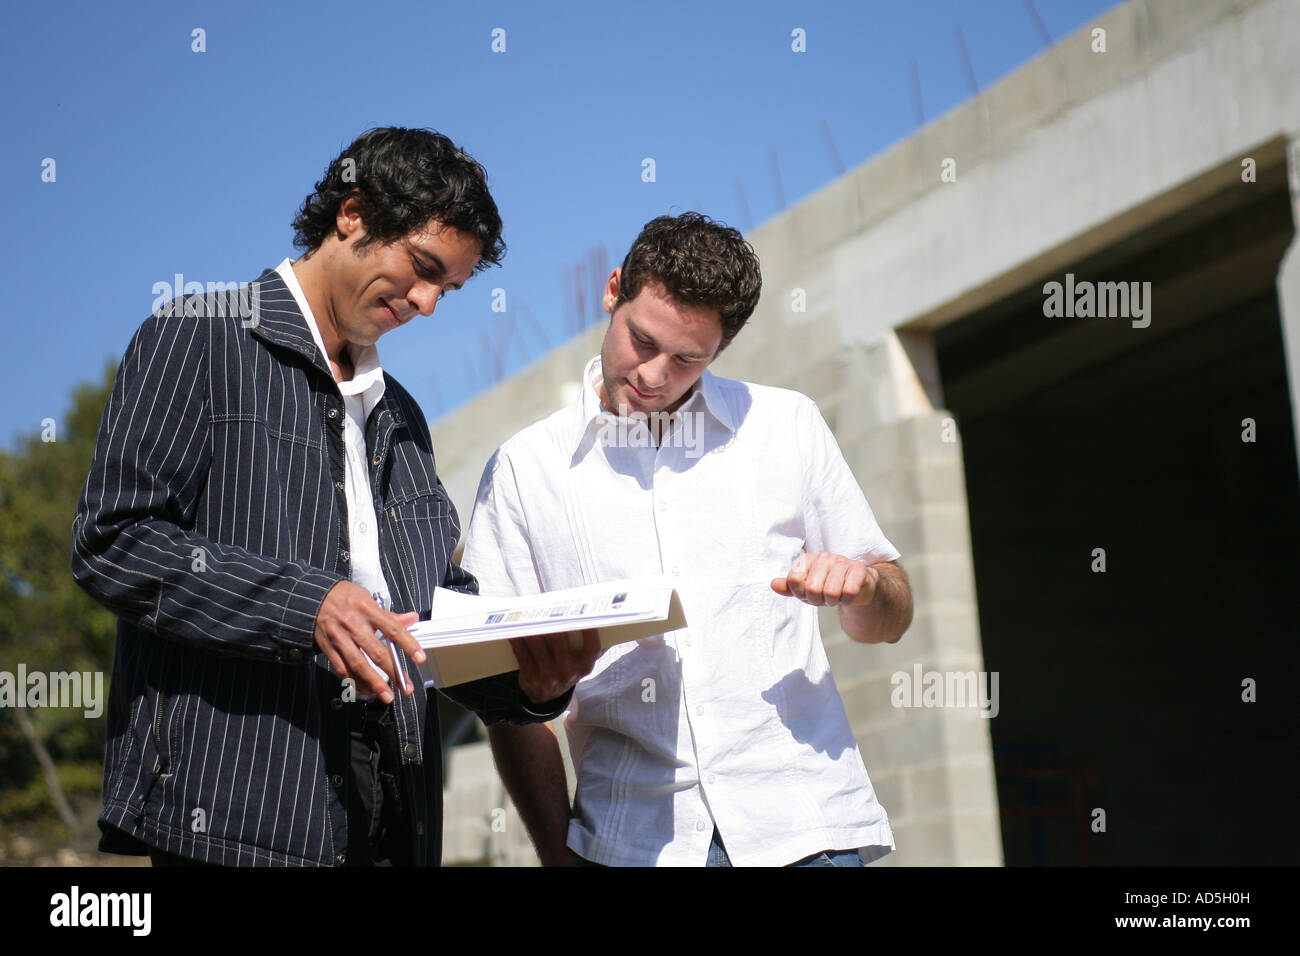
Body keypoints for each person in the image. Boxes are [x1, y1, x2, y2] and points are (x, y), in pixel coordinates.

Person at [71, 127, 599, 867]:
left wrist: (533, 681)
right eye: (422, 269)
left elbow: (432, 617)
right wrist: (304, 605)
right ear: (351, 212)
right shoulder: (195, 337)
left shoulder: (402, 417)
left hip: (393, 815)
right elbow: (114, 542)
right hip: (235, 818)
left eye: (446, 288)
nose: (426, 303)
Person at [465, 212, 914, 867]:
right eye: (641, 341)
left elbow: (890, 620)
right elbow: (502, 700)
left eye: (686, 359)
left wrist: (866, 586)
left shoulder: (787, 425)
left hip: (805, 829)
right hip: (627, 845)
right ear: (613, 290)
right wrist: (558, 855)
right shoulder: (524, 470)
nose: (652, 374)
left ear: (721, 350)